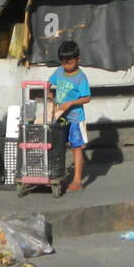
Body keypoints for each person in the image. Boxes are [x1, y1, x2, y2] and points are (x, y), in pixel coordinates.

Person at [48, 40, 91, 192]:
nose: (66, 66)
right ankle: (53, 174)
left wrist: (71, 103)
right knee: (56, 145)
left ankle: (77, 180)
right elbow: (48, 83)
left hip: (75, 118)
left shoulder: (81, 77)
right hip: (59, 116)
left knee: (76, 147)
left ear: (78, 60)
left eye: (69, 62)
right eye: (63, 62)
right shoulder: (59, 71)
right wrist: (48, 92)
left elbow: (87, 98)